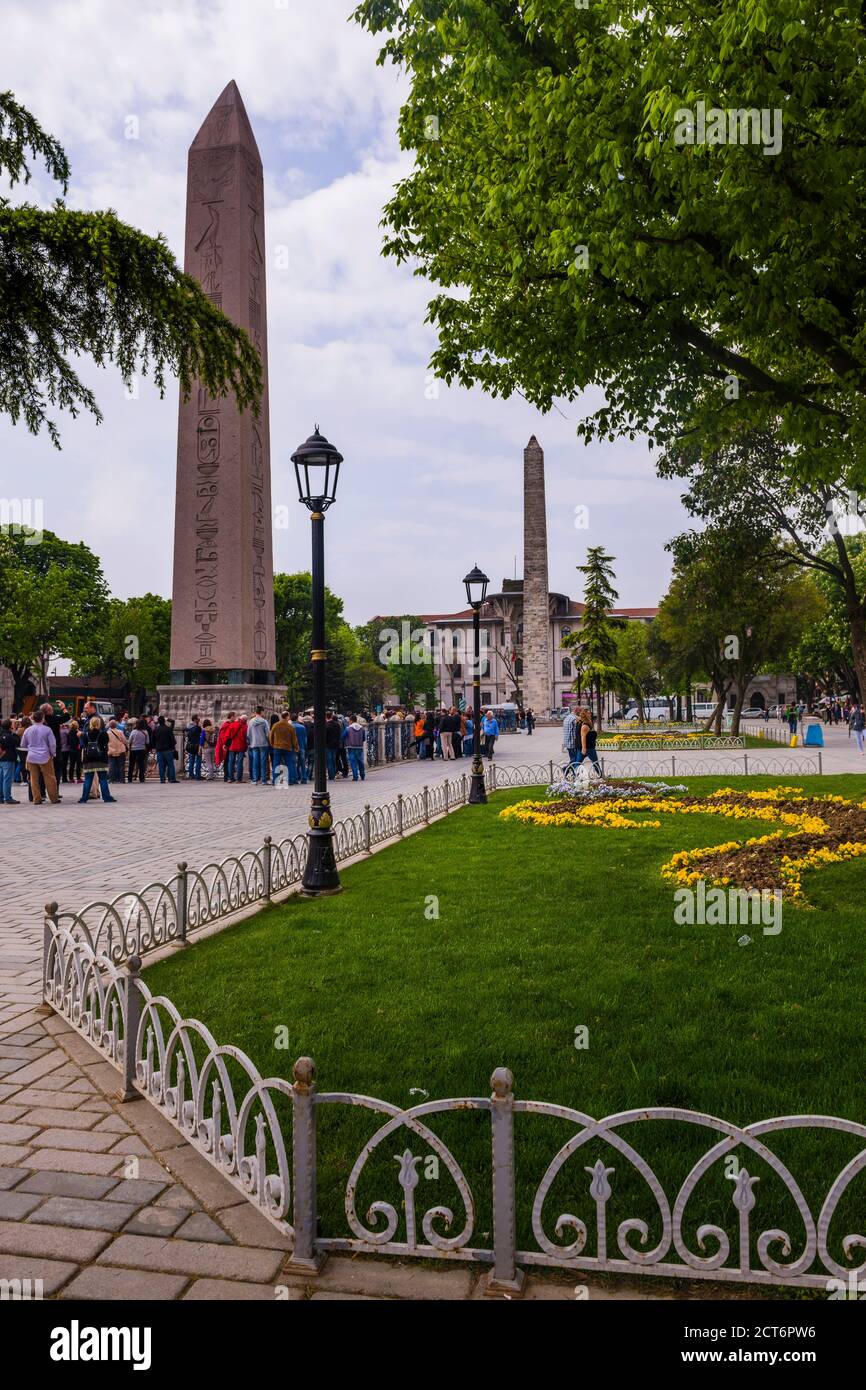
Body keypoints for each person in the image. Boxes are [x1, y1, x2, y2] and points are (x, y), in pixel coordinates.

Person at [21, 709, 61, 804]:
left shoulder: (28, 730)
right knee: (50, 778)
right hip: (44, 756)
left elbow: (23, 744)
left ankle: (36, 799)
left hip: (31, 757)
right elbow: (52, 744)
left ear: (33, 719)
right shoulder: (47, 729)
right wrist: (53, 754)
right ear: (42, 718)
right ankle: (54, 798)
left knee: (33, 779)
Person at [78, 716, 116, 803]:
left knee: (88, 780)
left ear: (90, 724)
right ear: (99, 724)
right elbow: (106, 744)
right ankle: (107, 797)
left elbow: (83, 745)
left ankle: (84, 798)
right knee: (103, 779)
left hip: (88, 759)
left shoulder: (85, 734)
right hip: (101, 759)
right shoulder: (103, 734)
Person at [269, 712, 299, 784]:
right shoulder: (290, 726)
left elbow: (271, 736)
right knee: (289, 764)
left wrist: (272, 744)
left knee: (276, 764)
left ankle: (275, 781)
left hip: (277, 747)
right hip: (287, 747)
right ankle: (290, 780)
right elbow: (294, 739)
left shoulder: (275, 725)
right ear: (287, 717)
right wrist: (296, 748)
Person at [573, 707, 602, 776]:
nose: (590, 714)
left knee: (578, 762)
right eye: (588, 713)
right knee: (595, 762)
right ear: (585, 714)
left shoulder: (583, 722)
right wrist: (584, 748)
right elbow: (583, 736)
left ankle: (574, 775)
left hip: (585, 747)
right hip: (588, 747)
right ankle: (601, 775)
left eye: (590, 713)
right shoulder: (585, 725)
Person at [247, 707, 270, 785]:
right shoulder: (264, 722)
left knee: (255, 762)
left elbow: (248, 734)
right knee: (263, 762)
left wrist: (251, 741)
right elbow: (267, 734)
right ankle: (263, 780)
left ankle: (255, 780)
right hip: (263, 744)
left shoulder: (250, 722)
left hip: (254, 744)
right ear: (261, 712)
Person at [152, 715, 177, 783]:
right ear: (164, 721)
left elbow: (153, 740)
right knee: (170, 764)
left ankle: (162, 779)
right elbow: (172, 740)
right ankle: (172, 779)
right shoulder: (168, 729)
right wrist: (173, 748)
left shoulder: (155, 729)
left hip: (159, 750)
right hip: (168, 749)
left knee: (161, 765)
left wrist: (155, 747)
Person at [0, 718, 20, 805]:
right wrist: (14, 731)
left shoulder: (1, 734)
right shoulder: (10, 736)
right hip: (8, 758)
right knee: (7, 779)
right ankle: (7, 797)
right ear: (10, 727)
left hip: (1, 758)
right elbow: (17, 741)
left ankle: (1, 797)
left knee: (1, 779)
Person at [227, 715, 248, 782]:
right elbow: (246, 736)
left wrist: (225, 744)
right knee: (239, 763)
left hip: (232, 746)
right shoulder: (245, 726)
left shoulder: (232, 724)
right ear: (244, 720)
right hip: (241, 746)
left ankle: (230, 778)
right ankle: (239, 779)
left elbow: (228, 735)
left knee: (231, 762)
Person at [345, 714, 366, 781]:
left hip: (351, 747)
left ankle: (355, 776)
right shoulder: (362, 728)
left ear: (351, 721)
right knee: (360, 762)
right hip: (359, 747)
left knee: (353, 762)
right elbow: (364, 738)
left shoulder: (348, 728)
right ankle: (362, 776)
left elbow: (342, 736)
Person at [290, 712, 308, 784]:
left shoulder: (290, 727)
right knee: (303, 764)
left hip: (293, 747)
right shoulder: (302, 727)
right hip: (302, 746)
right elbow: (305, 738)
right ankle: (304, 778)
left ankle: (295, 778)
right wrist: (305, 746)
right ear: (297, 718)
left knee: (294, 763)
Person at [185, 716, 203, 780]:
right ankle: (197, 776)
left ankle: (191, 775)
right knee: (198, 761)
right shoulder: (198, 728)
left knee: (191, 761)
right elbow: (201, 735)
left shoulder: (188, 727)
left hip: (190, 745)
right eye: (198, 719)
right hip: (197, 745)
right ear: (195, 720)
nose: (199, 720)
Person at [67, 718, 83, 783]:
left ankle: (71, 778)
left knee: (72, 764)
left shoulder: (69, 733)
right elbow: (80, 741)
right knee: (78, 764)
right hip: (77, 749)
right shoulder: (78, 733)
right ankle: (78, 778)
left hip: (71, 749)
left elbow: (68, 742)